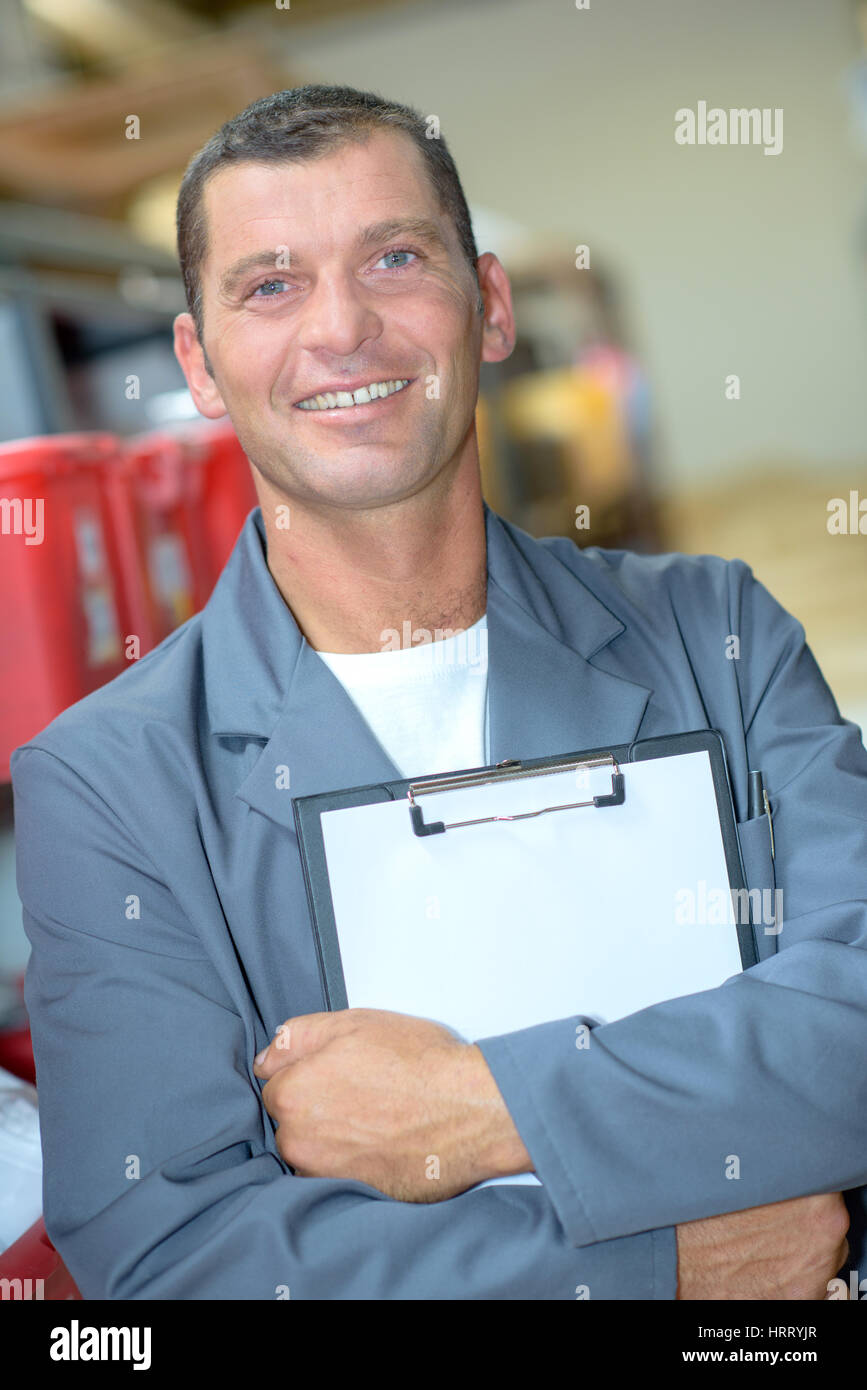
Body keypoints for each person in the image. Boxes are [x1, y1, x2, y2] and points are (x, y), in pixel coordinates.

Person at [11, 85, 864, 1301]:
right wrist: (661, 1273)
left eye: (395, 258)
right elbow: (177, 1255)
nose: (342, 329)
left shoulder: (715, 633)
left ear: (492, 305)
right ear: (198, 366)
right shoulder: (109, 784)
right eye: (271, 284)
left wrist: (483, 1104)